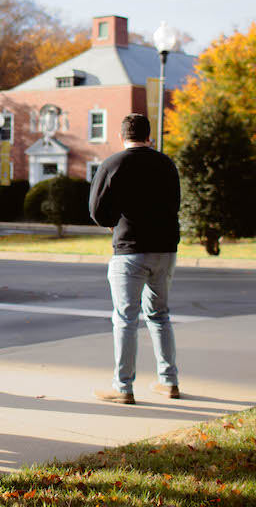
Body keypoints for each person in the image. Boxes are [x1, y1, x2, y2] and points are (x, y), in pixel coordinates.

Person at [87, 113, 182, 404]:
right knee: (160, 315)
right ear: (149, 136)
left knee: (126, 320)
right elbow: (176, 203)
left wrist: (112, 222)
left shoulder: (112, 164)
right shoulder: (166, 164)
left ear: (121, 136)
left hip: (129, 250)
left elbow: (96, 210)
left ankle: (123, 387)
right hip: (165, 250)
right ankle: (169, 382)